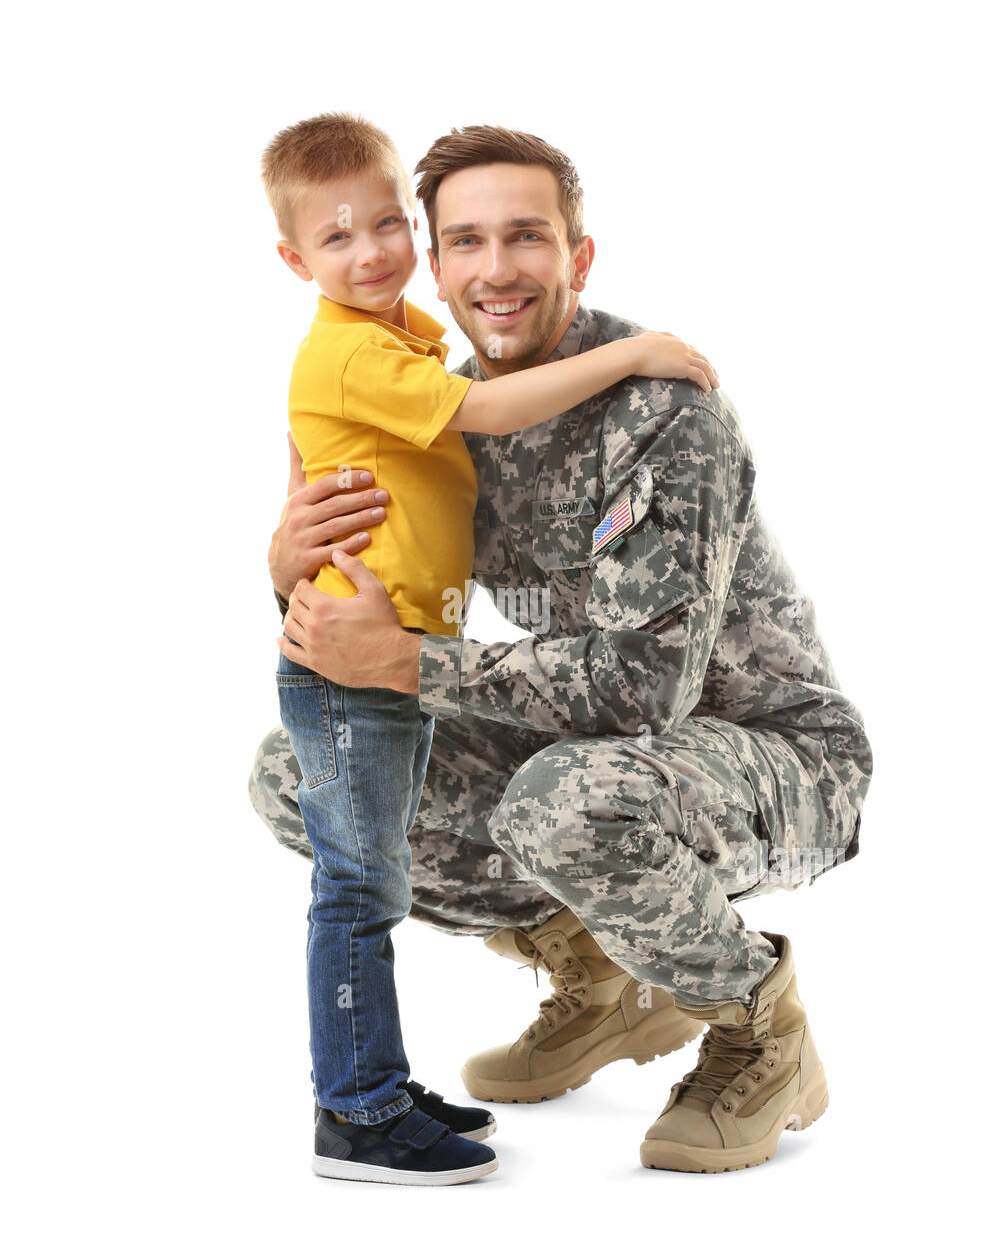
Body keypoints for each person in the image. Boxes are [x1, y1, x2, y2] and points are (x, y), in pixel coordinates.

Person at [251, 124, 873, 1175]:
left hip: (777, 754)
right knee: (301, 776)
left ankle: (754, 1018)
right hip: (607, 742)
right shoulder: (440, 411)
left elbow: (640, 685)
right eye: (467, 242)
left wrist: (403, 662)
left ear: (577, 258)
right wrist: (288, 570)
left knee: (565, 798)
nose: (496, 269)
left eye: (527, 237)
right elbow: (386, 584)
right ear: (436, 266)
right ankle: (600, 975)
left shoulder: (661, 414)